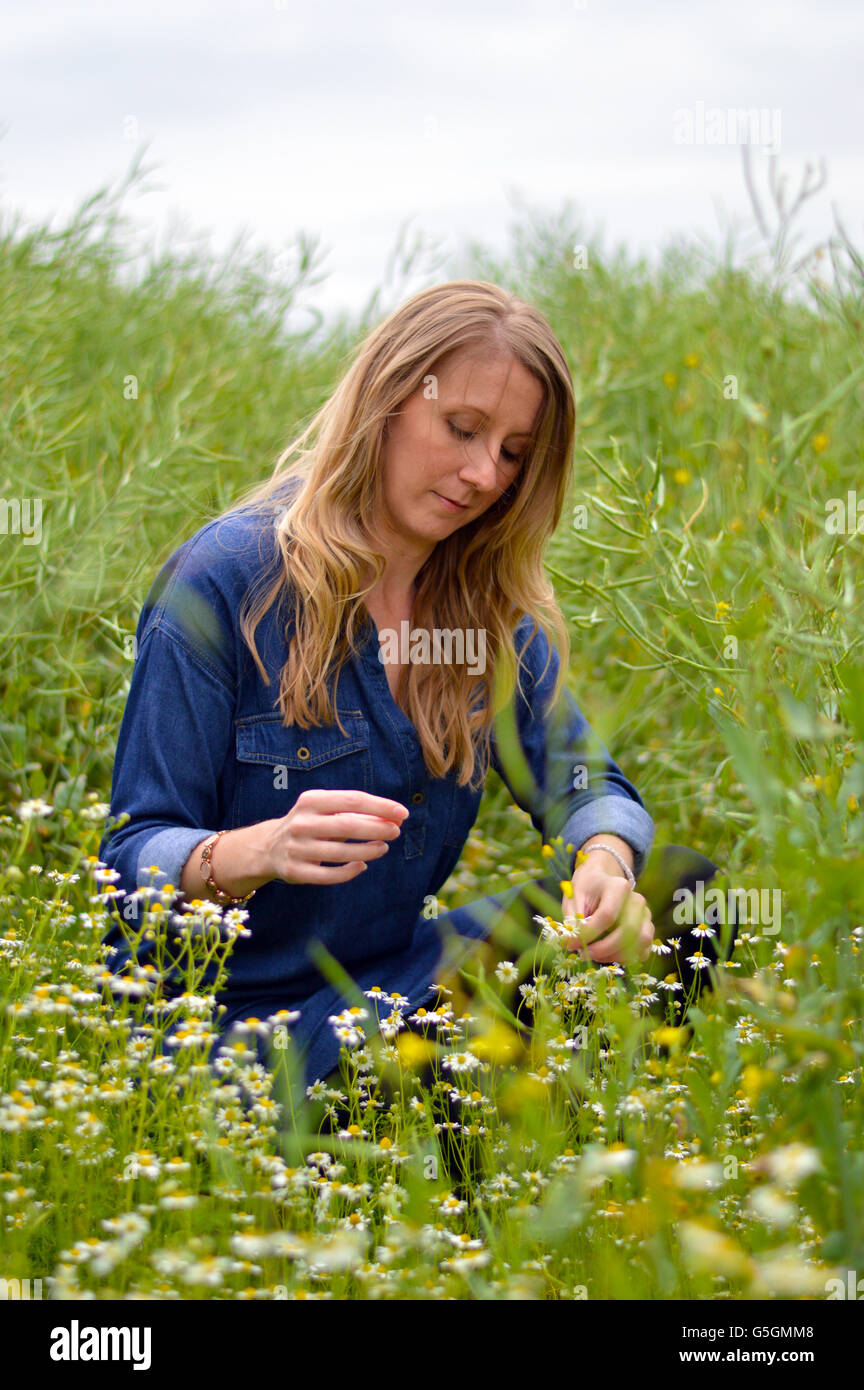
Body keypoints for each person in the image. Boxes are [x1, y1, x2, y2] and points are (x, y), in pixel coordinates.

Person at [97, 279, 724, 1091]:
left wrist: (605, 862)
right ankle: (462, 1139)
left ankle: (588, 1148)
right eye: (461, 428)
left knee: (685, 892)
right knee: (427, 1061)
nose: (481, 474)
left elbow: (583, 782)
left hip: (399, 983)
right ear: (387, 398)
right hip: (235, 1024)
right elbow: (130, 854)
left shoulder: (481, 603)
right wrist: (257, 851)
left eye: (512, 453)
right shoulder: (224, 582)